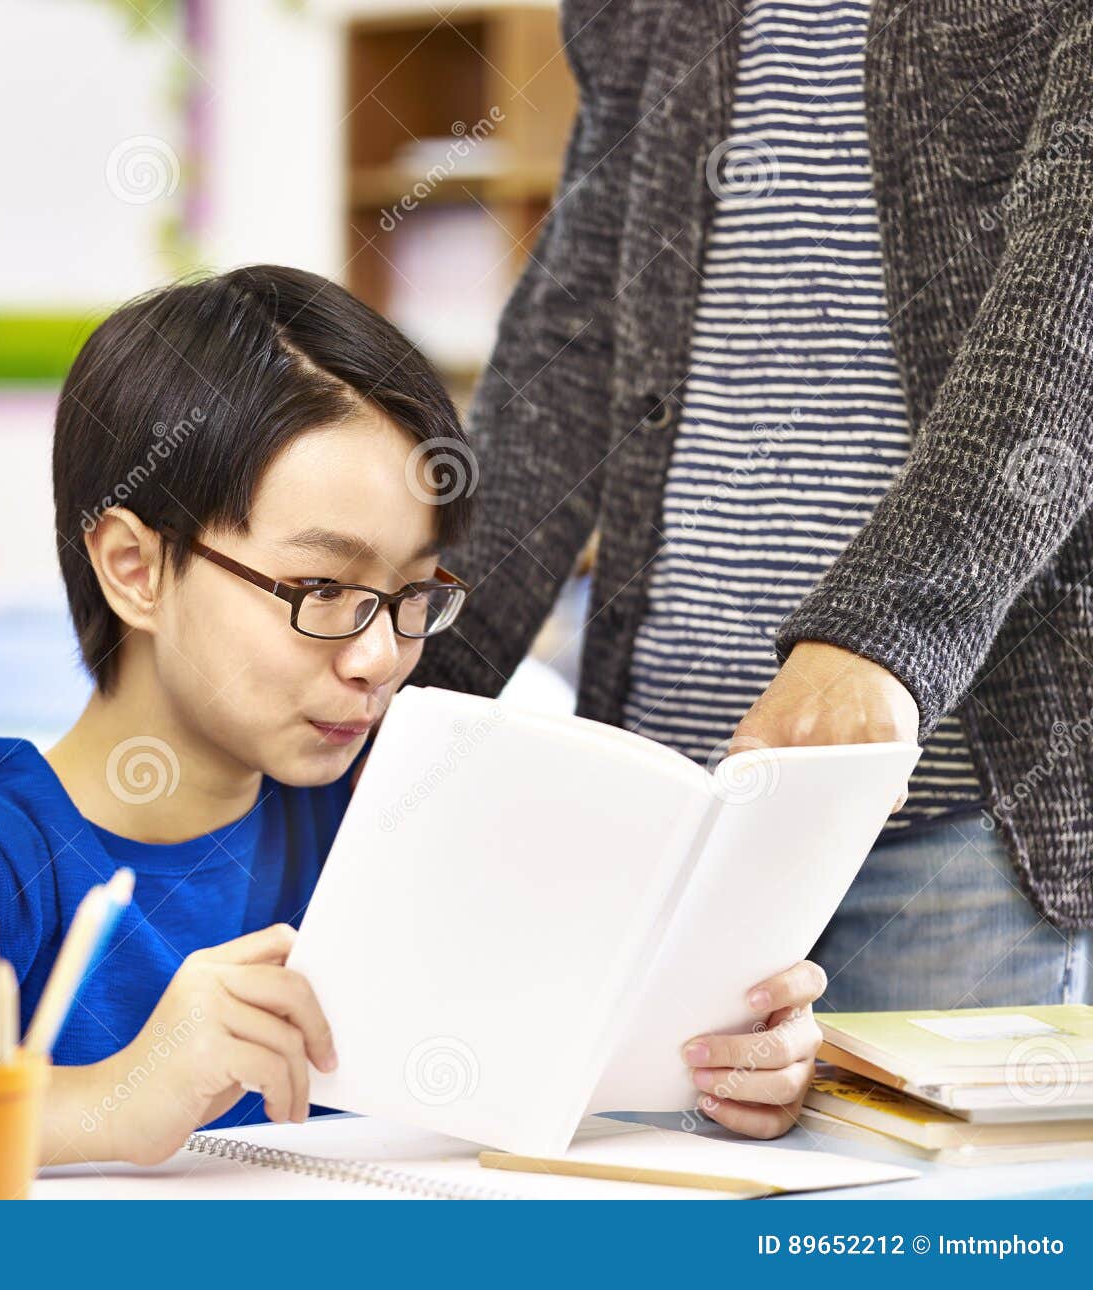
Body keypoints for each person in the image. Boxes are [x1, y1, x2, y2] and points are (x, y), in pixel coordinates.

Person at [0, 266, 827, 1197]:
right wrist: (106, 1102)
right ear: (134, 567)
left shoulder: (390, 819)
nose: (379, 655)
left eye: (411, 596)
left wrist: (710, 1071)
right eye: (320, 592)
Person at [410, 0, 1093, 1011]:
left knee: (932, 1174)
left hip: (950, 834)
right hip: (658, 812)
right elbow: (579, 319)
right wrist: (423, 671)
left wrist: (886, 636)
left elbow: (1069, 294)